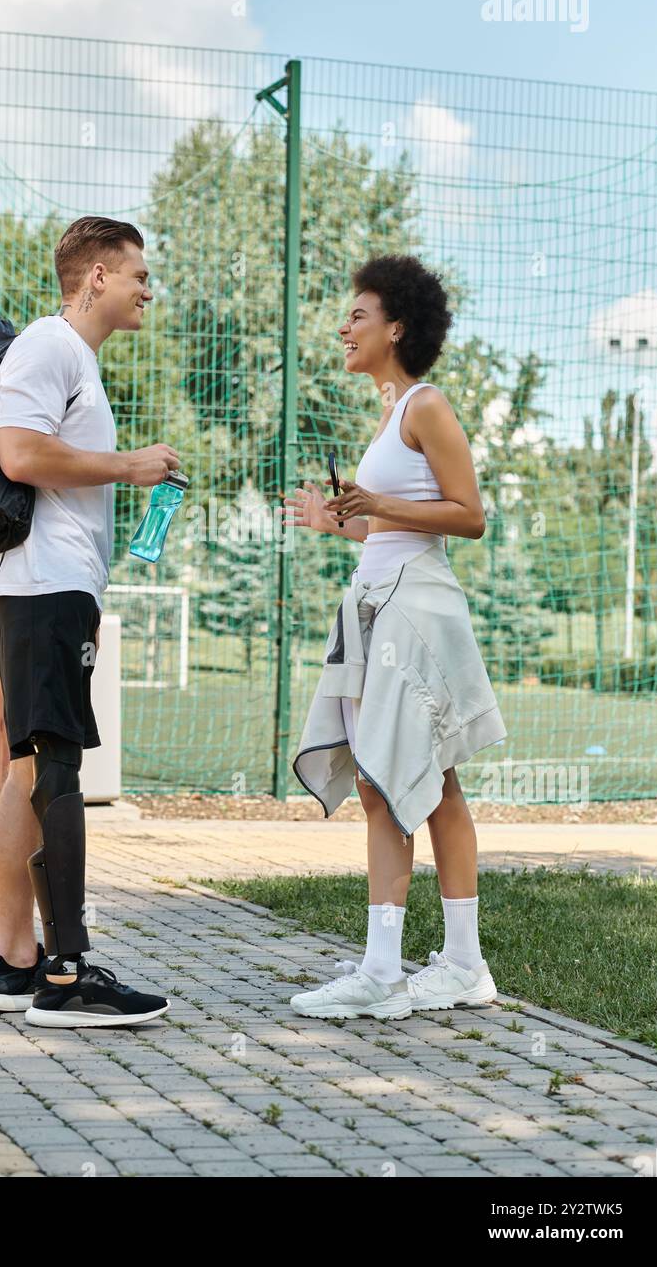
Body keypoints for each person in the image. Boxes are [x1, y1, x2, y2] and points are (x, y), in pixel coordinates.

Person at [283, 254, 506, 1021]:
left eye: (358, 315)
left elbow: (469, 516)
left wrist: (376, 504)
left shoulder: (426, 406)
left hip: (416, 613)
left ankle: (397, 971)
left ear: (397, 327)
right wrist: (340, 521)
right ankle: (455, 964)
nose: (344, 327)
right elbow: (389, 529)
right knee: (420, 781)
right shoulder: (390, 410)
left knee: (395, 780)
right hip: (383, 602)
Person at [0, 215, 179, 1028]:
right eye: (137, 272)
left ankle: (15, 965)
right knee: (54, 767)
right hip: (43, 588)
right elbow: (20, 453)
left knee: (24, 774)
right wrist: (129, 467)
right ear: (97, 275)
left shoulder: (75, 361)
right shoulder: (50, 345)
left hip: (44, 589)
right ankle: (66, 977)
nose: (146, 287)